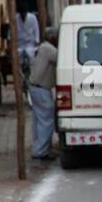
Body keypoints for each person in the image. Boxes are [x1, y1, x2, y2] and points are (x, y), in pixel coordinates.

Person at [28, 28, 58, 160]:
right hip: (41, 89)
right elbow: (62, 58)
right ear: (52, 38)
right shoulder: (48, 48)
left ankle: (39, 148)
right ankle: (41, 151)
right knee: (46, 121)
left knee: (38, 121)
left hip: (36, 88)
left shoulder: (44, 47)